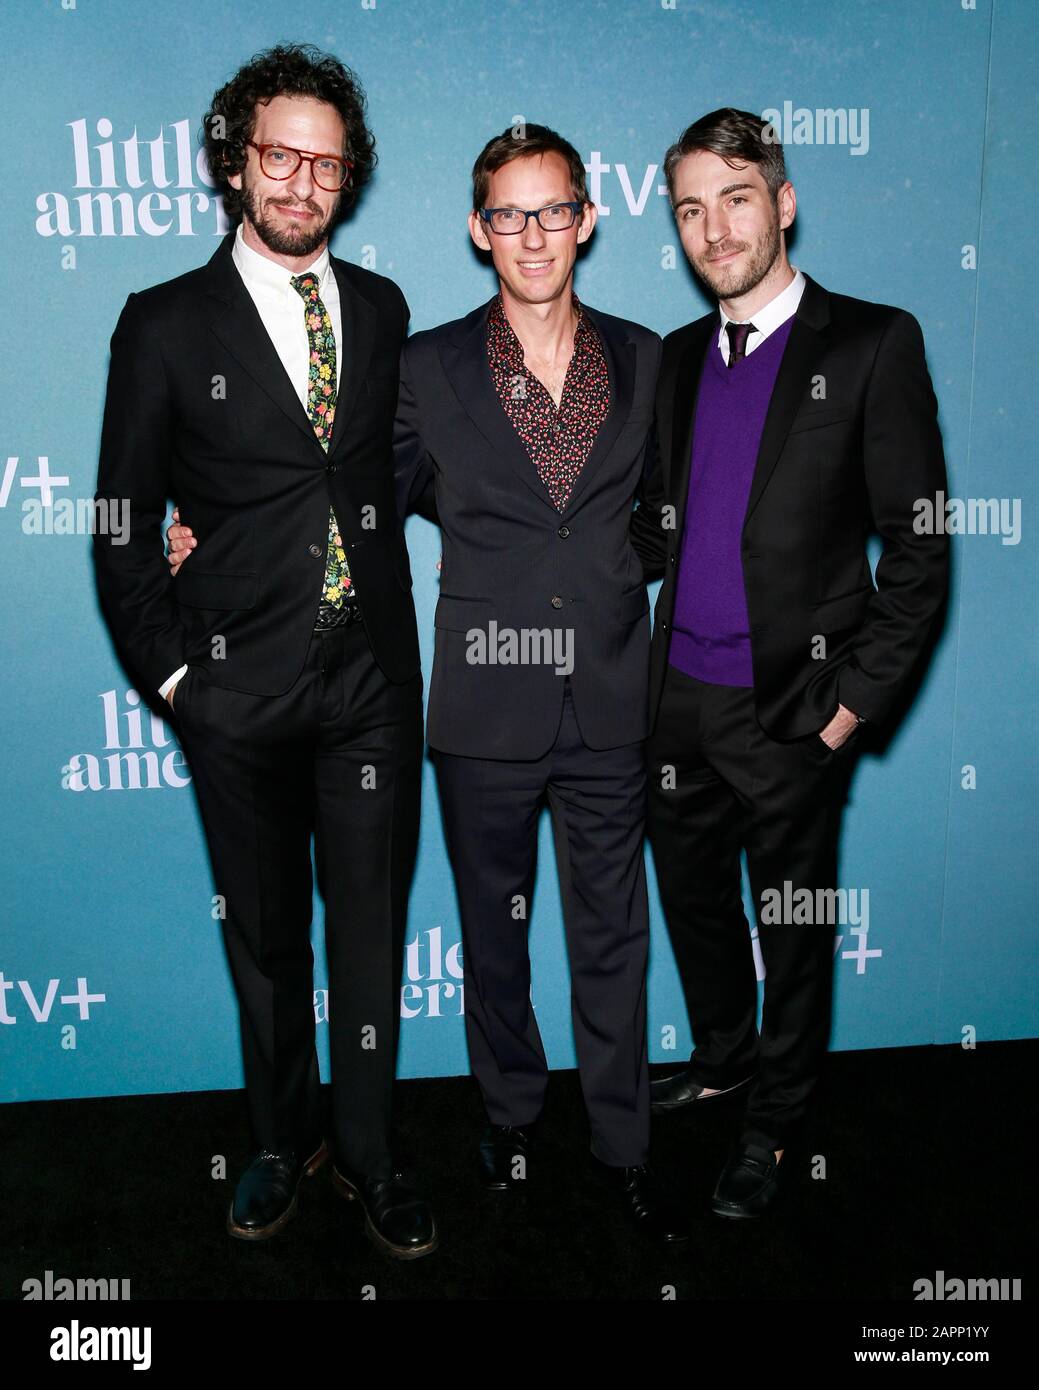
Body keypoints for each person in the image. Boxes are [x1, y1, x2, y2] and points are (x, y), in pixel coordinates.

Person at [171, 123, 688, 1247]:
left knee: (614, 940)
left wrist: (597, 579)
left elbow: (662, 513)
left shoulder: (649, 357)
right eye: (508, 213)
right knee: (494, 937)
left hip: (606, 698)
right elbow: (344, 486)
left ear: (588, 219)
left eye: (554, 210)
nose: (532, 233)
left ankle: (622, 1147)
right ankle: (508, 1127)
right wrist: (213, 538)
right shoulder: (427, 367)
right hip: (481, 708)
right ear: (477, 230)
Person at [94, 43, 436, 1258]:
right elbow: (123, 522)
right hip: (235, 684)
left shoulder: (385, 311)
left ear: (349, 177)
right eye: (280, 155)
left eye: (326, 162)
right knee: (269, 942)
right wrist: (178, 679)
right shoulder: (163, 324)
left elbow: (392, 474)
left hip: (370, 688)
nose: (302, 181)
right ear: (235, 161)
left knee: (368, 935)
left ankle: (375, 1154)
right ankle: (278, 1144)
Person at [630, 107, 950, 1218]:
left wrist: (848, 709)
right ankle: (722, 1054)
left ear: (783, 201)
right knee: (695, 904)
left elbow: (918, 548)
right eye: (688, 207)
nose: (712, 228)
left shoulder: (869, 343)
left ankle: (774, 1120)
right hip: (675, 706)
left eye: (733, 197)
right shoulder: (670, 359)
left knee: (794, 925)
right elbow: (644, 531)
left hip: (793, 710)